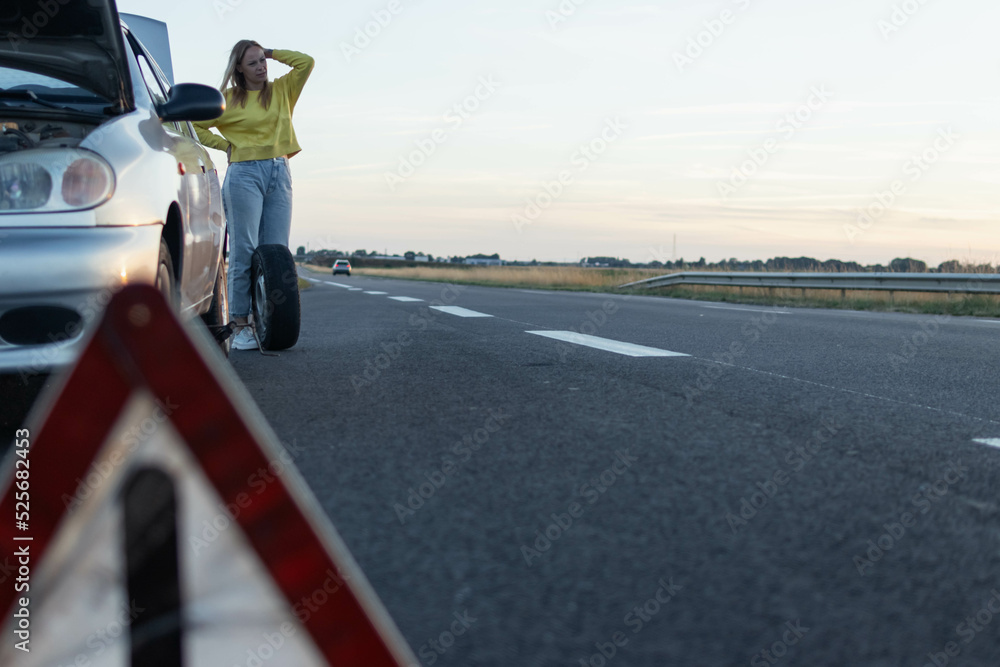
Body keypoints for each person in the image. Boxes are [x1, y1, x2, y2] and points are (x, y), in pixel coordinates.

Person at [194, 41, 314, 350]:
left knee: (276, 253)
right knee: (244, 251)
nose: (262, 67)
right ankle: (240, 325)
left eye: (263, 61)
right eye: (254, 63)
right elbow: (194, 126)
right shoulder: (227, 100)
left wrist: (272, 52)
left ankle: (269, 323)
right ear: (239, 69)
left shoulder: (282, 90)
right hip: (244, 175)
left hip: (280, 170)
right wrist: (225, 146)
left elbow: (306, 62)